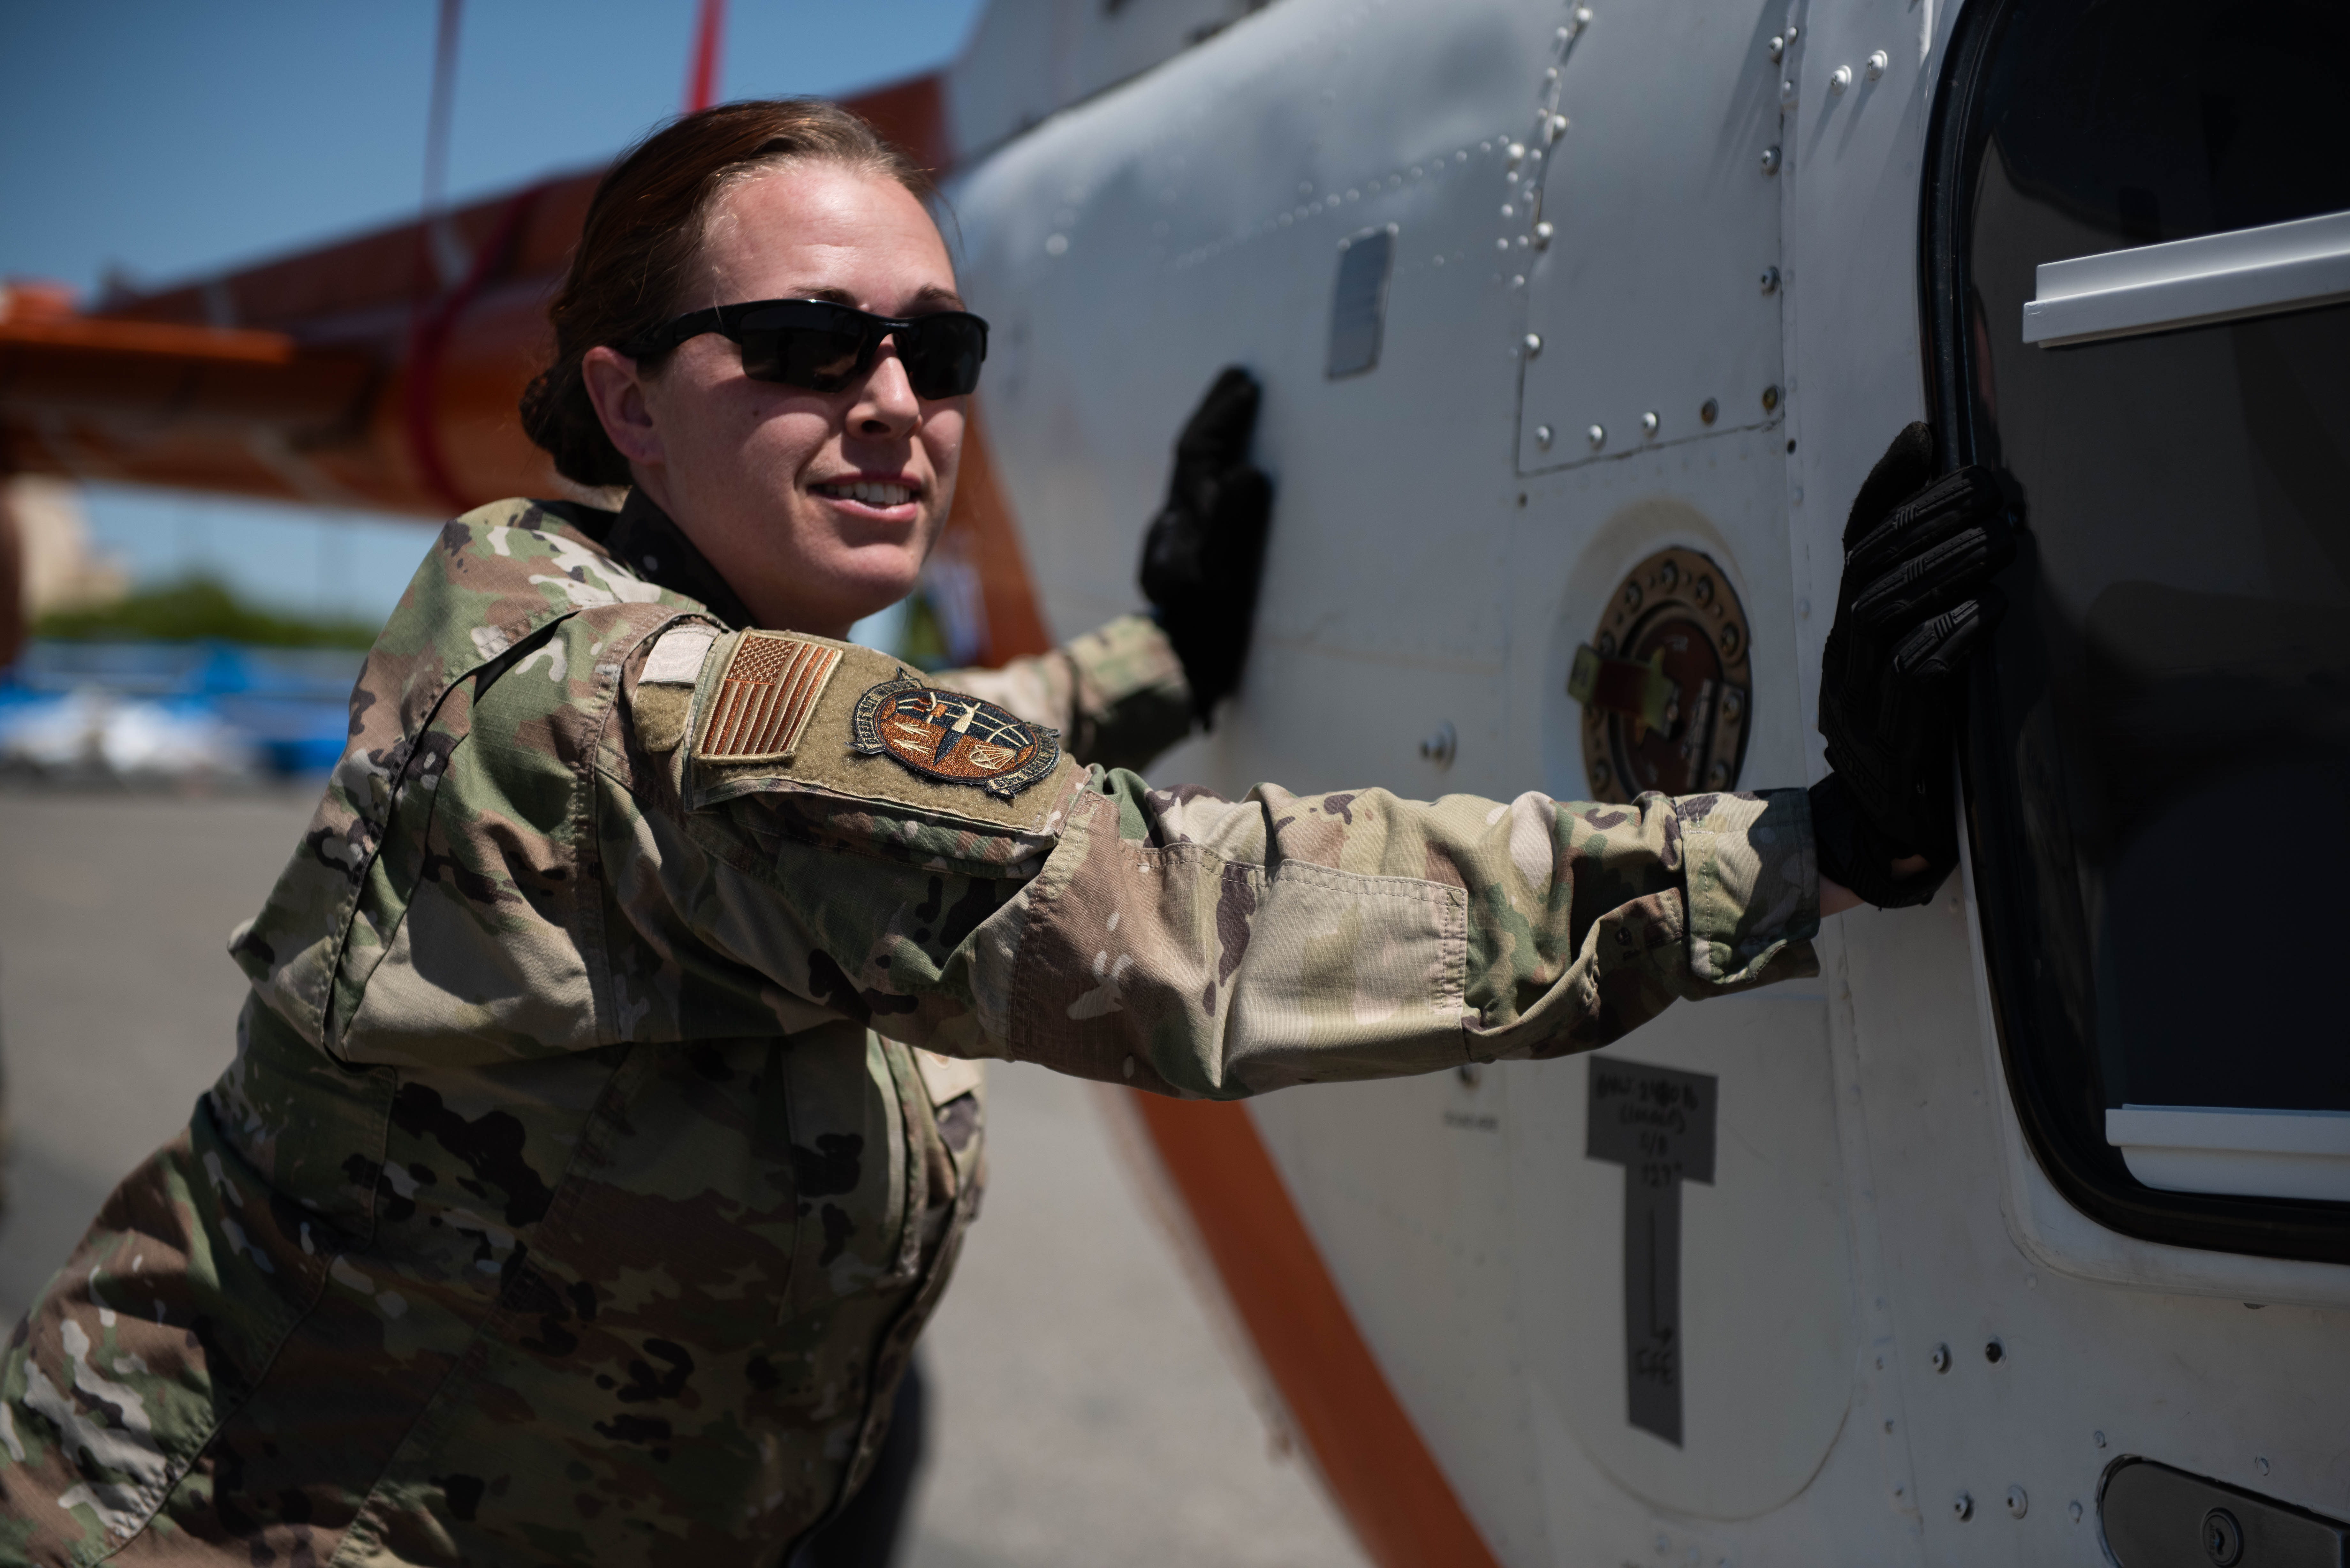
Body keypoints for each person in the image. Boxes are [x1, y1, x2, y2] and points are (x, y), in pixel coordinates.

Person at [0, 99, 2009, 1566]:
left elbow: (878, 799)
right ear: (626, 403)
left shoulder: (543, 608)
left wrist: (1156, 652)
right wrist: (1799, 854)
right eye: (803, 349)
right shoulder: (685, 720)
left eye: (934, 352)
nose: (894, 405)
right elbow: (1186, 925)